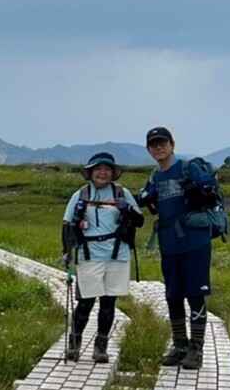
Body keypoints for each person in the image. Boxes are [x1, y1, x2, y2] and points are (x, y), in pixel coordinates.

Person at [136, 126, 214, 370]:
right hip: (169, 243)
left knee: (195, 293)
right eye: (154, 144)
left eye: (163, 143)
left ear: (172, 145)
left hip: (194, 242)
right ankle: (180, 344)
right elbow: (147, 201)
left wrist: (199, 192)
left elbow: (210, 197)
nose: (159, 147)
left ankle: (196, 348)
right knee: (173, 294)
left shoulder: (188, 167)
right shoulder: (154, 177)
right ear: (149, 149)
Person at [61, 151, 144, 363]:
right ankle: (74, 342)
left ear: (112, 173)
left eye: (107, 169)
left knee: (108, 303)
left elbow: (139, 221)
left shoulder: (122, 193)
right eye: (98, 169)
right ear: (90, 172)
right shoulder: (80, 194)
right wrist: (67, 253)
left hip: (117, 255)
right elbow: (68, 225)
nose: (102, 173)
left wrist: (128, 210)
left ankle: (101, 346)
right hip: (89, 255)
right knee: (85, 302)